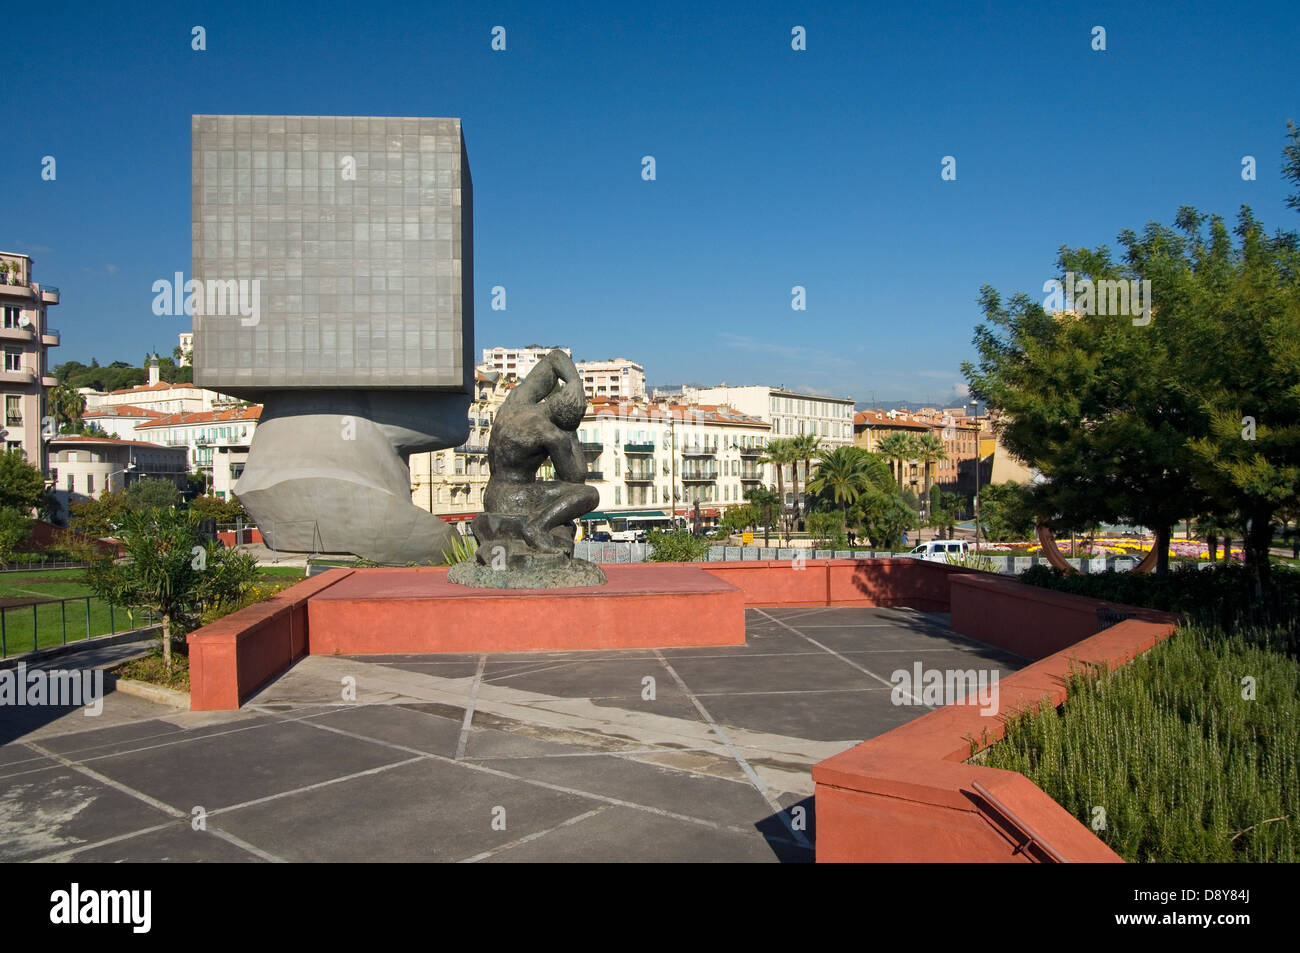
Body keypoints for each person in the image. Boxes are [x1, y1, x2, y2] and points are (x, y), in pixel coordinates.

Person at [483, 349, 599, 554]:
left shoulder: (516, 401)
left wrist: (574, 383)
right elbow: (577, 480)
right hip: (513, 500)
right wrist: (571, 431)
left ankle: (539, 527)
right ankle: (537, 528)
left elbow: (555, 357)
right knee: (590, 494)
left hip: (492, 493)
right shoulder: (552, 435)